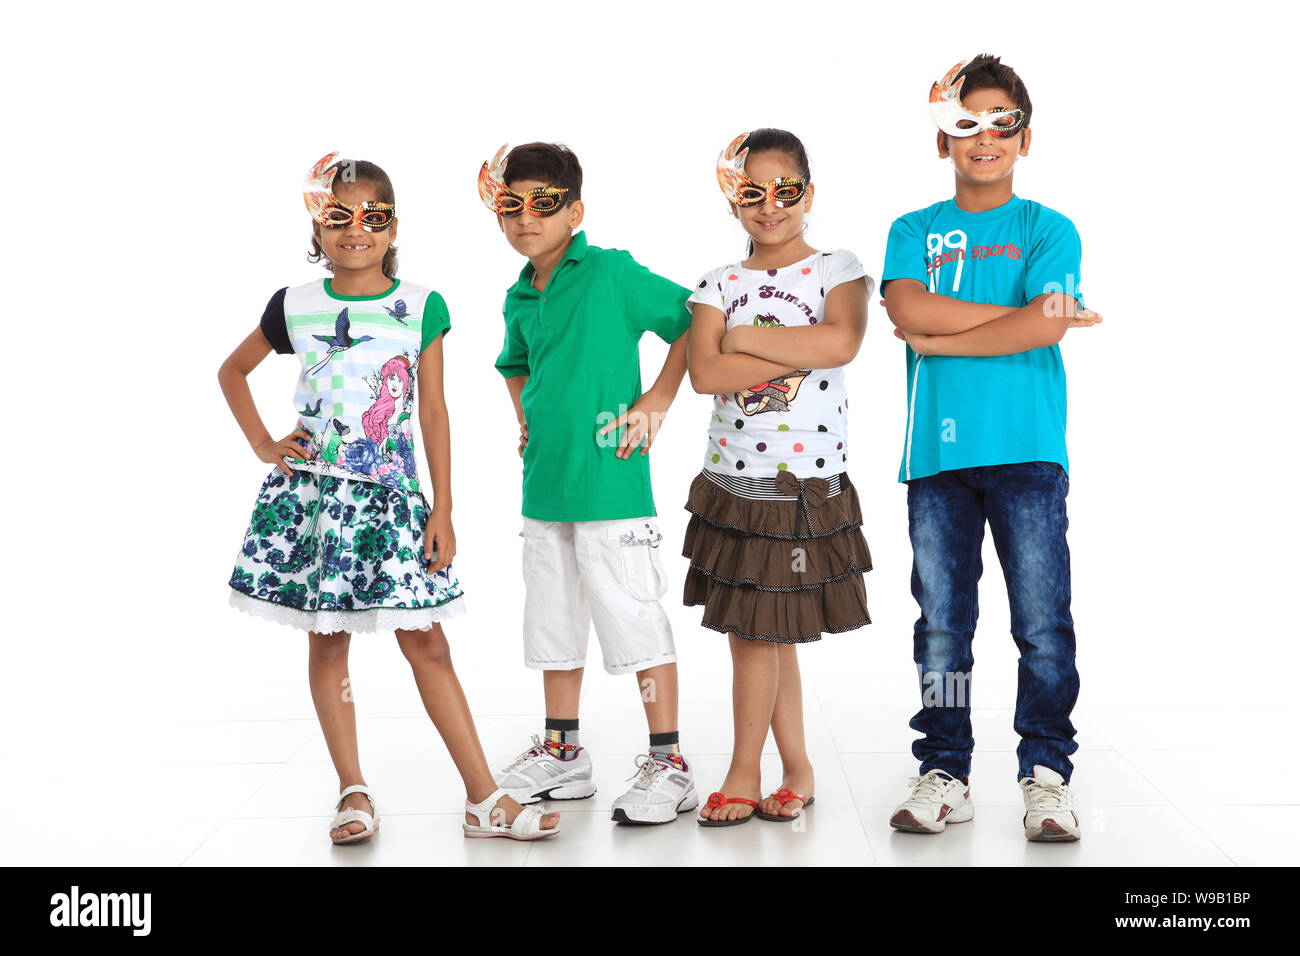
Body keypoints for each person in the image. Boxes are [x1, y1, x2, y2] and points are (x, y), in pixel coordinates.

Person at [219, 152, 559, 844]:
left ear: (393, 226)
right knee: (328, 644)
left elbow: (434, 412)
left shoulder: (420, 306)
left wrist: (444, 507)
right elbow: (232, 370)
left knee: (427, 643)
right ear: (318, 224)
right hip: (315, 503)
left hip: (392, 504)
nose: (356, 231)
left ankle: (483, 796)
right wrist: (263, 442)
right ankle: (353, 791)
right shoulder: (296, 306)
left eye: (373, 217)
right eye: (338, 217)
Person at [881, 55, 1102, 841]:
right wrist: (1016, 321)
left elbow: (1044, 319)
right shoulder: (912, 230)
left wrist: (939, 339)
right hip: (936, 460)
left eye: (1000, 122)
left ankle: (1047, 771)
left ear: (1025, 137)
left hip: (1030, 452)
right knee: (942, 626)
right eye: (964, 123)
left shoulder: (1049, 227)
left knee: (1042, 622)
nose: (984, 137)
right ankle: (945, 765)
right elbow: (909, 304)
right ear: (944, 140)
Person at [481, 142, 698, 825]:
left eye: (543, 204)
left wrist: (657, 400)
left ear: (574, 210)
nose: (525, 218)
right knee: (554, 622)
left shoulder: (610, 273)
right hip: (544, 490)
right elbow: (513, 364)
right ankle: (564, 752)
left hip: (611, 487)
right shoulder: (520, 293)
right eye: (510, 205)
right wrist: (525, 416)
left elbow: (693, 319)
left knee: (635, 617)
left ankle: (669, 762)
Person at [683, 129, 873, 826]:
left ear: (808, 195)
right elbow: (706, 374)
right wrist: (781, 348)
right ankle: (796, 768)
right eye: (751, 193)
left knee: (761, 632)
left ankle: (744, 771)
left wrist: (743, 337)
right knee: (761, 630)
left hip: (803, 487)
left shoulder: (836, 268)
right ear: (733, 200)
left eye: (785, 191)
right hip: (734, 485)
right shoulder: (717, 281)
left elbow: (840, 342)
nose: (770, 207)